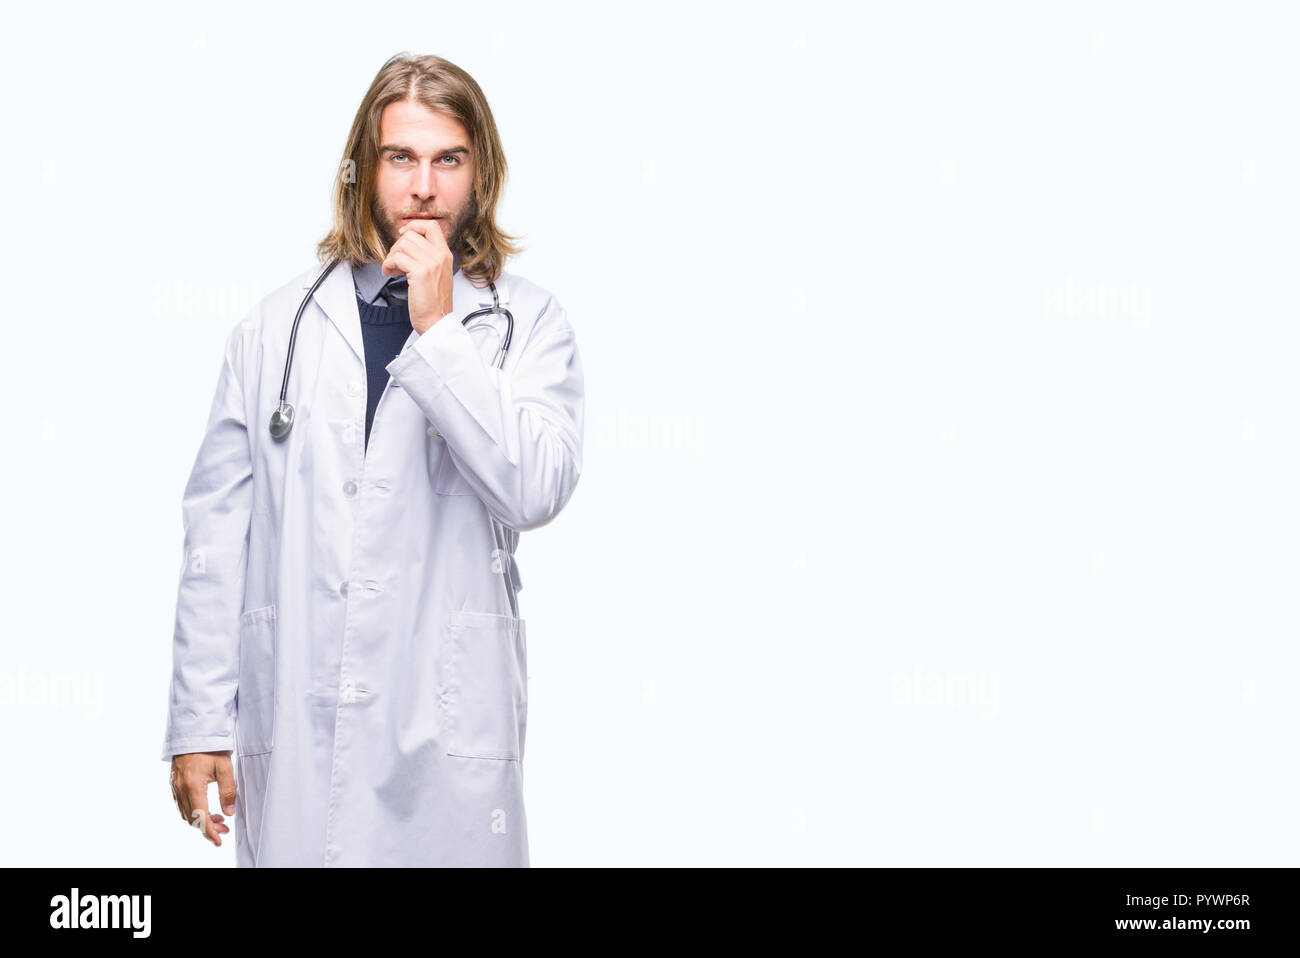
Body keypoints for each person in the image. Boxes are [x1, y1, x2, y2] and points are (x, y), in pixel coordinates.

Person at [160, 53, 584, 867]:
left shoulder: (527, 325)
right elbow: (216, 539)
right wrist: (198, 721)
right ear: (363, 171)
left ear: (481, 173)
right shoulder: (274, 330)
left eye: (448, 160)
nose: (424, 187)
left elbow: (535, 487)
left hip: (446, 733)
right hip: (299, 722)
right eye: (401, 159)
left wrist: (438, 332)